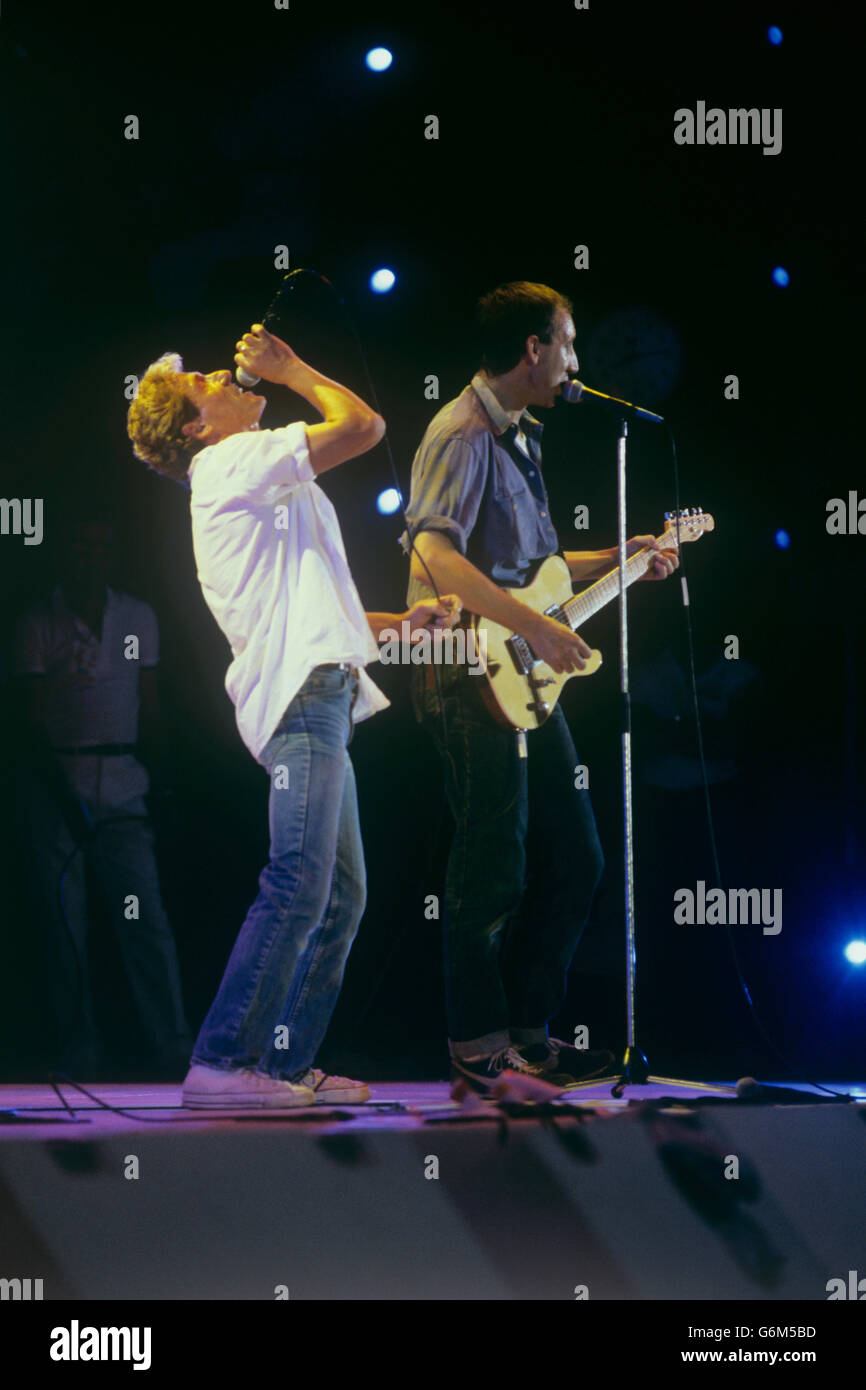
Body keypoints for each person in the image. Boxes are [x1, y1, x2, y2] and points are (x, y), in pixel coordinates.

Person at [127, 324, 458, 1108]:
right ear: (195, 426)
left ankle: (277, 1063)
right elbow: (366, 427)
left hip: (321, 692)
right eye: (207, 382)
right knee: (301, 881)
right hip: (304, 700)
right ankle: (220, 1061)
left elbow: (310, 605)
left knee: (339, 894)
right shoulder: (233, 460)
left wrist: (395, 626)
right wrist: (292, 367)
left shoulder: (254, 476)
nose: (226, 374)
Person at [401, 281, 678, 1098]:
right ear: (534, 349)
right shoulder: (460, 431)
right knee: (492, 861)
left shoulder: (523, 437)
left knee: (579, 855)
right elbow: (435, 558)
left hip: (520, 674)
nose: (574, 363)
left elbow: (538, 571)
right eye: (568, 344)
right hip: (462, 671)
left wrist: (622, 556)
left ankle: (527, 1035)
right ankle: (475, 1047)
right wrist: (534, 628)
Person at [13, 517, 192, 1078]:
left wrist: (163, 780)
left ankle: (172, 1048)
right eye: (79, 546)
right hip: (55, 791)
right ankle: (78, 1051)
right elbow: (30, 721)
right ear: (63, 554)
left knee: (146, 923)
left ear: (111, 554)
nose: (89, 557)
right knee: (66, 926)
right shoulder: (39, 623)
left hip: (124, 786)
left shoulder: (137, 617)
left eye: (99, 547)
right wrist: (63, 797)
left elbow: (151, 704)